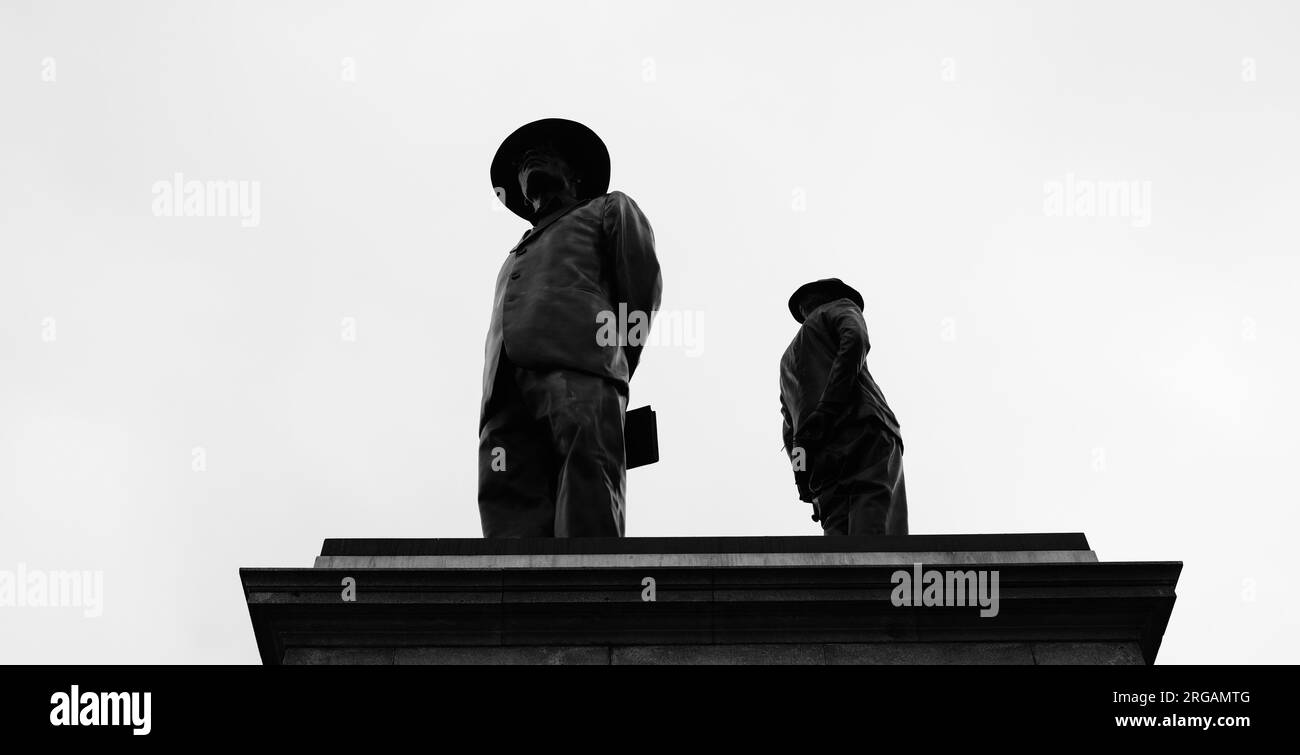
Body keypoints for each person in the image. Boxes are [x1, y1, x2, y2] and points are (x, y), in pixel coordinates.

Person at [478, 118, 662, 537]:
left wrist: (614, 361)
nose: (529, 164)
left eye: (542, 154)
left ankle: (590, 589)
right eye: (522, 165)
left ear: (575, 173)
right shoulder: (516, 251)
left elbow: (640, 287)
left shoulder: (609, 208)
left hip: (583, 361)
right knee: (504, 487)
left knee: (587, 473)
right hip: (504, 386)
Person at [779, 278, 908, 535]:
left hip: (818, 455)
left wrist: (802, 479)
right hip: (863, 428)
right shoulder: (839, 308)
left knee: (836, 528)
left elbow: (789, 432)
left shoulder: (786, 361)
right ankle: (872, 575)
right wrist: (830, 406)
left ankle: (843, 574)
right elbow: (856, 340)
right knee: (873, 508)